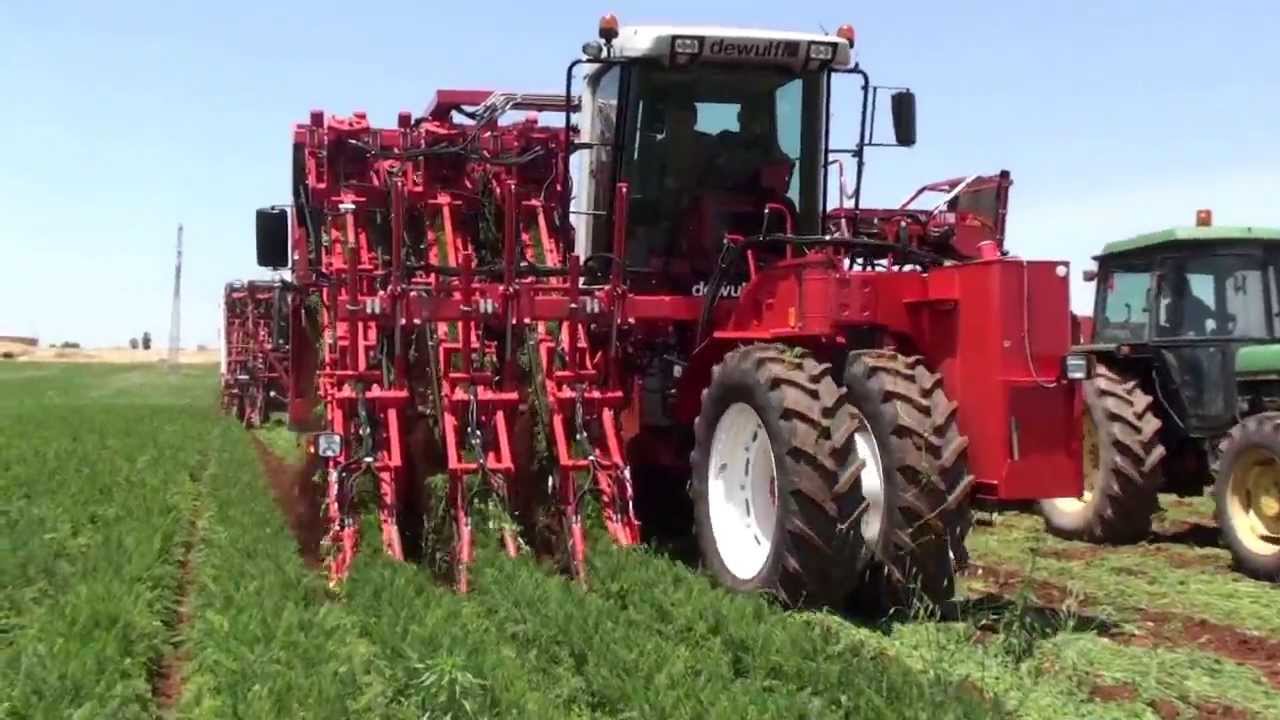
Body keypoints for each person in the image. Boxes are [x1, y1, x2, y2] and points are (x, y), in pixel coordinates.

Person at [1160, 268, 1216, 336]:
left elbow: (1212, 315)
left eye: (1166, 285)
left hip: (1195, 343)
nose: (1163, 289)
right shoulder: (1169, 306)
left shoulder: (1196, 303)